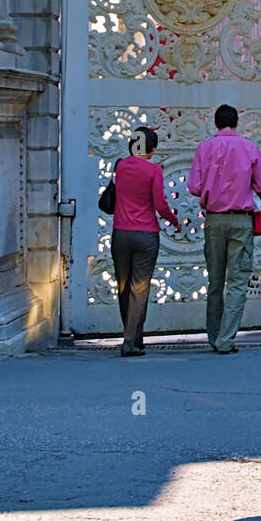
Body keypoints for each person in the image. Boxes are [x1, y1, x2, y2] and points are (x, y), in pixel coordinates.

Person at [188, 104, 261, 354]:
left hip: (213, 219)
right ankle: (226, 339)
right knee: (236, 281)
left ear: (216, 123)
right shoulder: (249, 148)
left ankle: (213, 336)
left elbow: (193, 186)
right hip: (241, 221)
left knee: (215, 280)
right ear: (236, 124)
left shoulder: (204, 148)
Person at [110, 125, 181, 357]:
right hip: (146, 235)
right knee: (139, 289)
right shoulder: (153, 171)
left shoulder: (120, 166)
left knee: (123, 286)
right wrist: (174, 221)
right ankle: (130, 342)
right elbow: (159, 204)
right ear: (151, 150)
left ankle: (133, 338)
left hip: (120, 233)